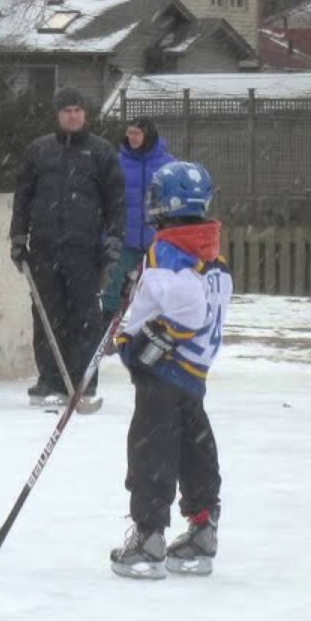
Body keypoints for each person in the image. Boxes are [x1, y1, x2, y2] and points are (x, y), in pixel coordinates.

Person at [108, 161, 229, 580]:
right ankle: (202, 529)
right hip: (193, 376)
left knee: (151, 451)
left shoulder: (169, 250)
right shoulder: (210, 251)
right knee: (195, 446)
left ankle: (148, 539)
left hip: (164, 374)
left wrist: (148, 342)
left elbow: (188, 309)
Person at [11, 87, 125, 410]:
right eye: (66, 111)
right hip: (44, 247)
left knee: (85, 317)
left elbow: (117, 203)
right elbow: (23, 196)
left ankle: (83, 381)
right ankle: (50, 380)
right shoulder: (39, 151)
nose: (72, 116)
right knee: (47, 315)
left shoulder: (101, 152)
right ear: (58, 115)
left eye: (77, 110)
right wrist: (18, 237)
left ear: (84, 113)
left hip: (84, 250)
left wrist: (114, 242)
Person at [102, 117, 175, 315]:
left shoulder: (167, 163)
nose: (132, 137)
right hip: (125, 238)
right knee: (113, 287)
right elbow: (107, 199)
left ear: (148, 135)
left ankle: (154, 323)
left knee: (159, 289)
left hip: (156, 240)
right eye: (129, 132)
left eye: (137, 133)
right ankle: (107, 323)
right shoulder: (117, 162)